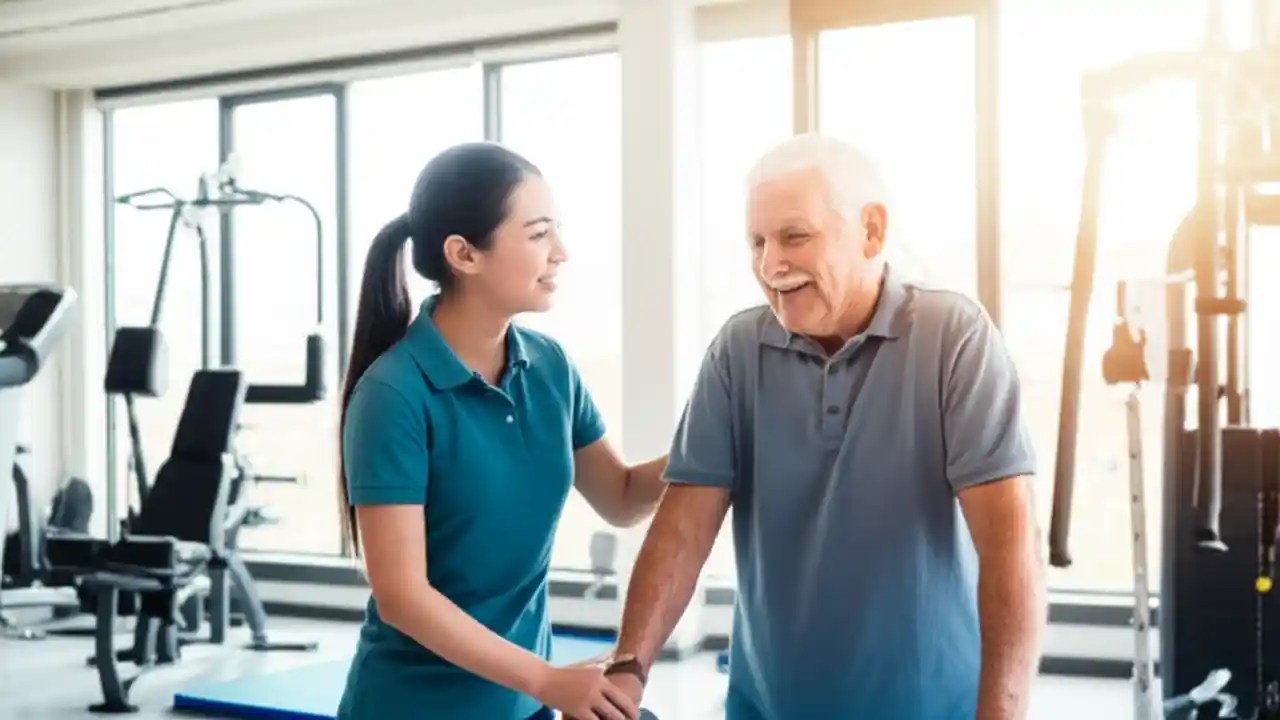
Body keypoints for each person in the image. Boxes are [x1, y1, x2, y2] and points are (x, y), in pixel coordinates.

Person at [596, 134, 1046, 720]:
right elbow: (684, 525)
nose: (770, 264)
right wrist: (628, 669)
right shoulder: (739, 349)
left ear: (871, 232)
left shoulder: (951, 336)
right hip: (769, 706)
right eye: (756, 242)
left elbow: (1010, 547)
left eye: (795, 236)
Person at [336, 141, 665, 720]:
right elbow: (402, 597)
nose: (561, 252)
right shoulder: (393, 395)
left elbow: (619, 497)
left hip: (522, 706)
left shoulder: (551, 366)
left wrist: (721, 439)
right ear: (464, 254)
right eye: (538, 234)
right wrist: (547, 680)